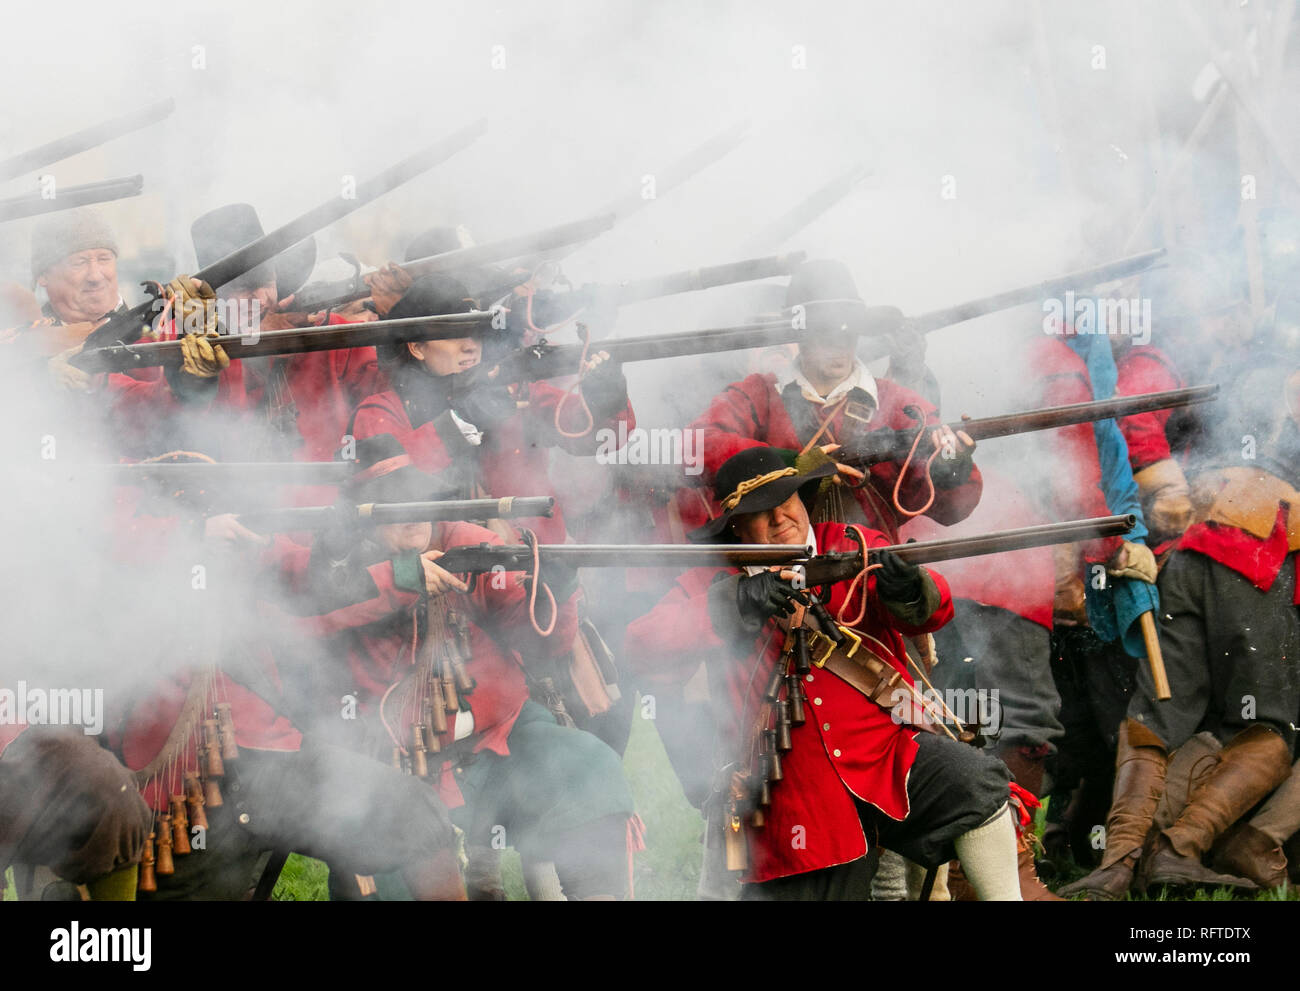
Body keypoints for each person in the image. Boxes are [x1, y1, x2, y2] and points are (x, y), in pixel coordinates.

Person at [625, 446, 1024, 899]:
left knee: (976, 783)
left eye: (787, 501)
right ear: (736, 528)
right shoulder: (716, 579)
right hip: (793, 783)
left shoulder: (851, 543)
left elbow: (931, 612)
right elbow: (641, 645)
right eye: (761, 512)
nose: (780, 519)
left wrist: (910, 588)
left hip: (887, 751)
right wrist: (734, 602)